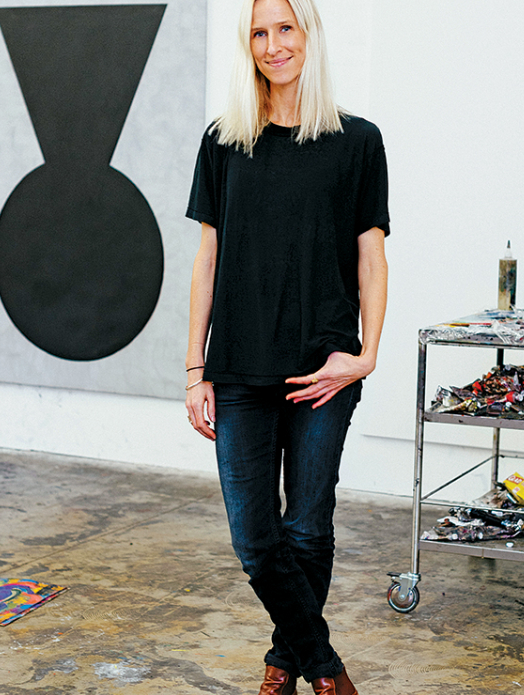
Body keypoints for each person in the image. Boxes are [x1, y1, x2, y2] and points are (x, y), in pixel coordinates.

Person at [184, 0, 389, 692]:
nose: (273, 45)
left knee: (306, 528)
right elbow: (207, 259)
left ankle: (283, 665)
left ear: (308, 35)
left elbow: (371, 257)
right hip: (239, 366)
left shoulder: (357, 142)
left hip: (322, 366)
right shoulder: (224, 141)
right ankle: (324, 667)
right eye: (258, 33)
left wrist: (365, 355)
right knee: (254, 538)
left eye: (284, 29)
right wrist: (195, 369)